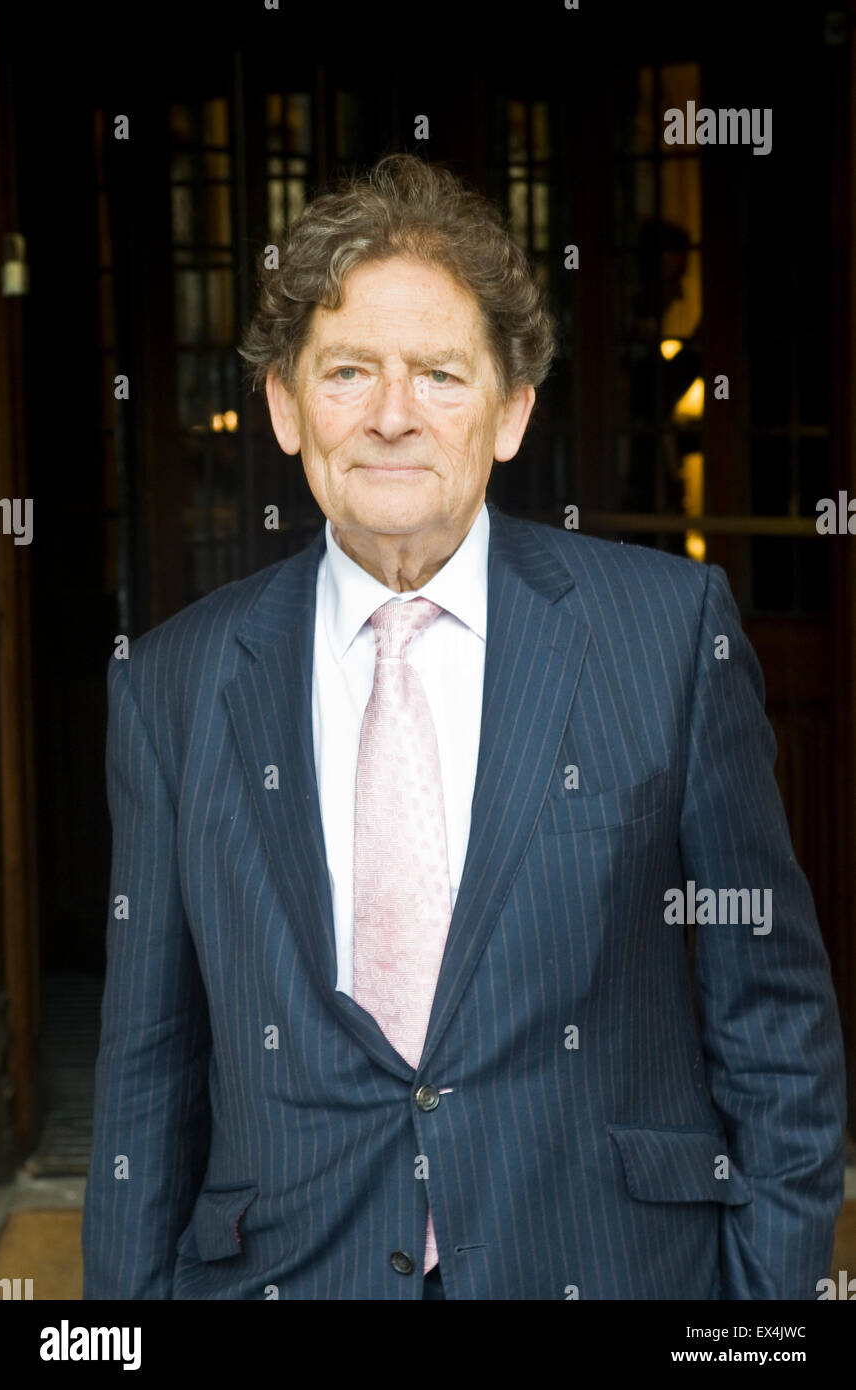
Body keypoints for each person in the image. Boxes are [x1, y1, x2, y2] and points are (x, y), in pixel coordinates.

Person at [81, 153, 846, 1300]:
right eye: (347, 372)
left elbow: (772, 1021)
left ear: (510, 412)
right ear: (285, 407)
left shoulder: (666, 632)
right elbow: (145, 1069)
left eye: (439, 374)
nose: (392, 417)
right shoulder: (173, 685)